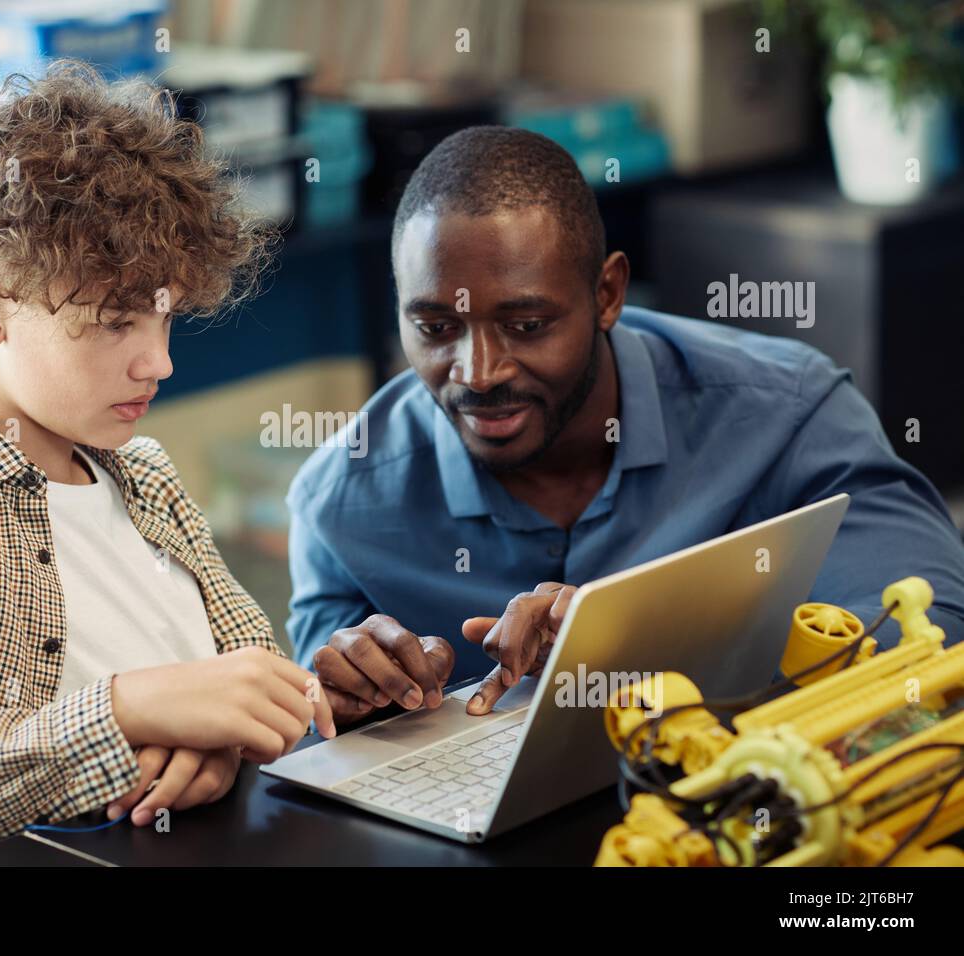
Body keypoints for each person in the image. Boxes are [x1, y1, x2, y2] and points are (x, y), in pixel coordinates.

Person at [0, 61, 333, 867]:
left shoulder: (145, 474)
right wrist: (120, 714)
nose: (159, 364)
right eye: (117, 322)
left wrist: (234, 735)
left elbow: (250, 680)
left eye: (164, 322)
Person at [287, 125, 964, 725]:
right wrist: (352, 691)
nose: (479, 372)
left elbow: (929, 637)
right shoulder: (340, 504)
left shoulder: (788, 415)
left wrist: (642, 647)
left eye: (526, 326)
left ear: (606, 294)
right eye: (435, 328)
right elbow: (317, 707)